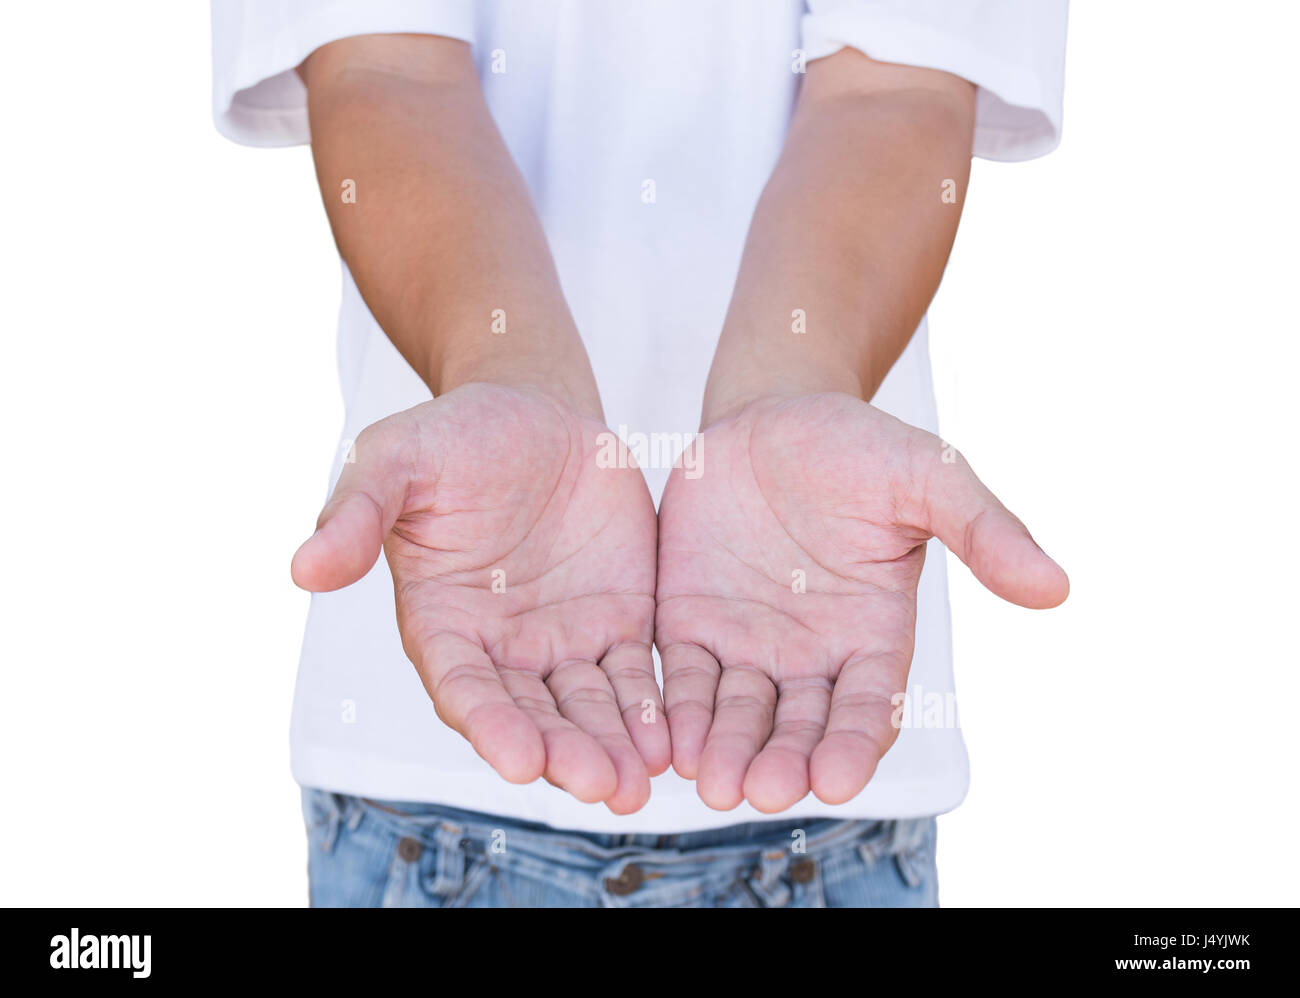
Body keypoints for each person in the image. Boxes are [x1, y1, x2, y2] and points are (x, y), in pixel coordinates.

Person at [211, 0, 1069, 908]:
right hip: (432, 786)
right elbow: (379, 65)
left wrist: (785, 392)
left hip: (824, 775)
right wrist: (509, 374)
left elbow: (900, 85)